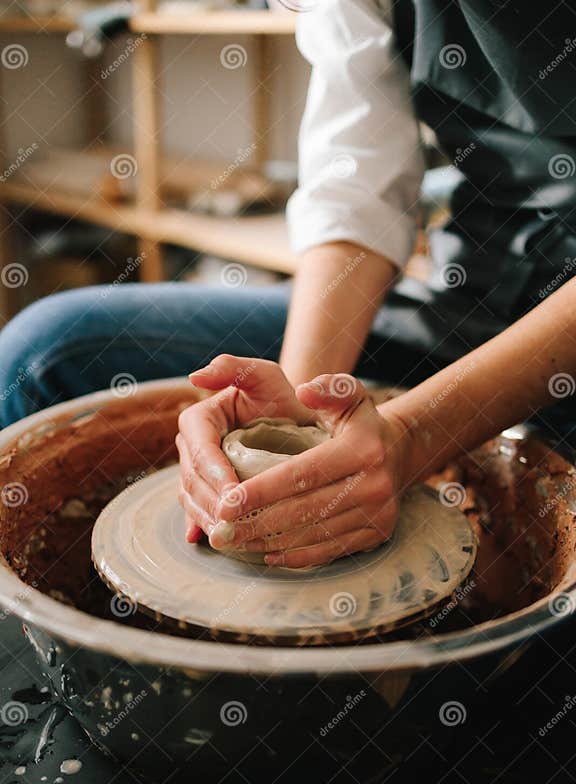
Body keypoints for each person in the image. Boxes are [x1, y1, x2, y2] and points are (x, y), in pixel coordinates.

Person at [1, 0, 576, 568]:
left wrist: (412, 437)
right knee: (46, 352)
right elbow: (357, 185)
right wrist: (300, 417)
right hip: (472, 291)